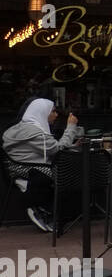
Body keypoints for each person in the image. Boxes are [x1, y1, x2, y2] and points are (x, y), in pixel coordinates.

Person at [2, 98, 82, 232]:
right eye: (53, 111)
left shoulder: (24, 128)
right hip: (31, 170)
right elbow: (57, 149)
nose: (56, 115)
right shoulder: (34, 132)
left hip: (21, 167)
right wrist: (71, 127)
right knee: (71, 173)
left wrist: (72, 146)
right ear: (42, 112)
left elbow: (45, 149)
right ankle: (45, 210)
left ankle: (49, 210)